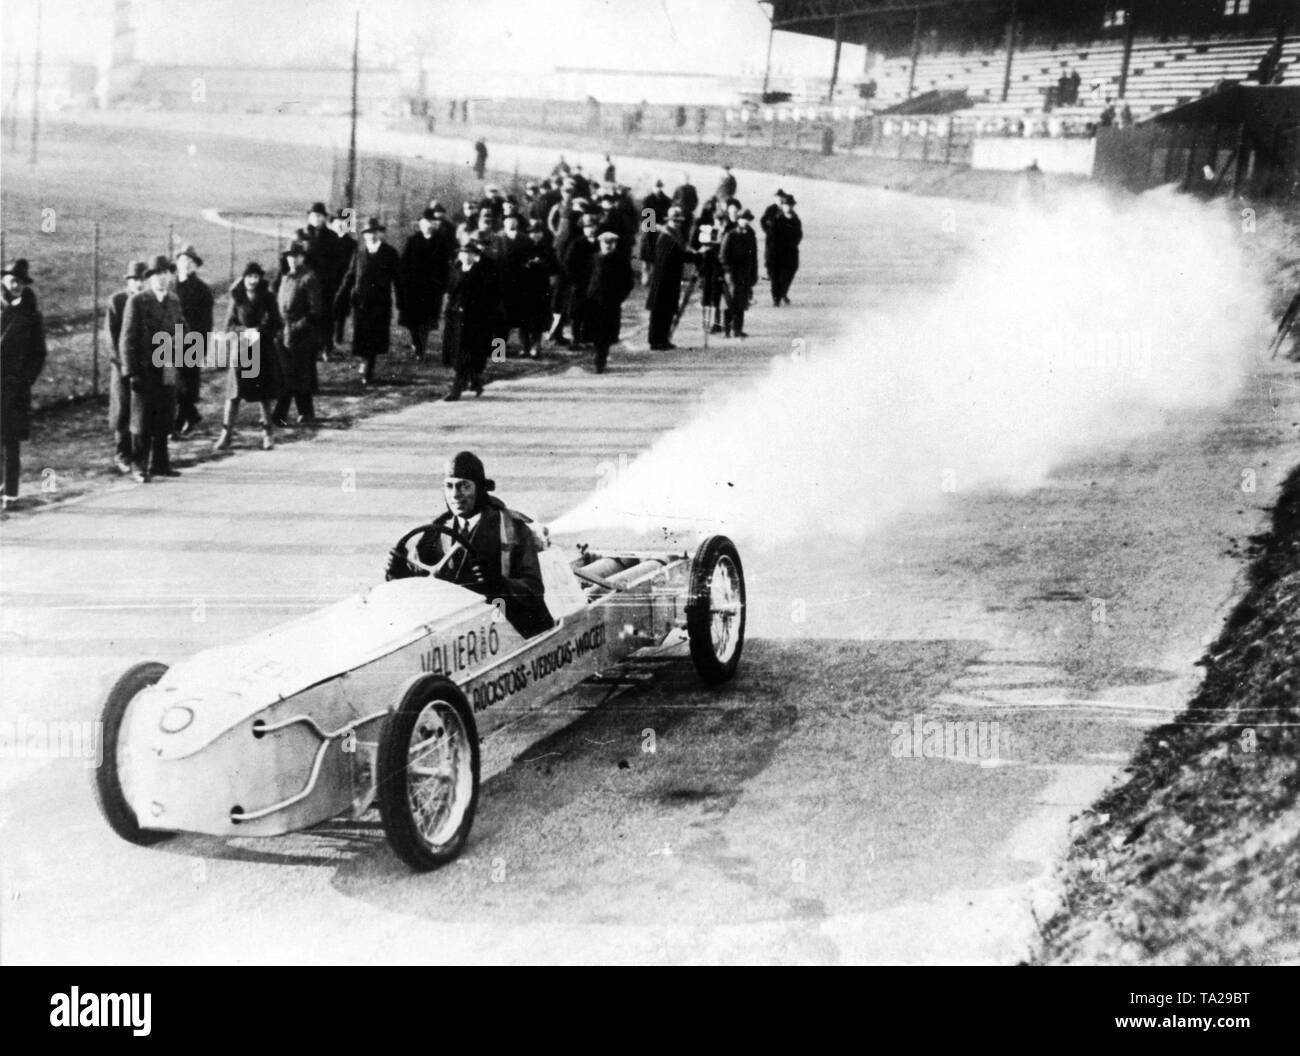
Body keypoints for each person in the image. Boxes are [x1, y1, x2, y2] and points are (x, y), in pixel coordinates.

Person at [385, 451, 554, 639]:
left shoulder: (512, 528)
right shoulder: (435, 533)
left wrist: (499, 582)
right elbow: (421, 581)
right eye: (449, 486)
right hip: (454, 630)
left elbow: (534, 588)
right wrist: (397, 572)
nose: (455, 495)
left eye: (464, 486)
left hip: (507, 626)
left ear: (480, 489)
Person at [120, 255, 183, 481]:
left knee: (165, 416)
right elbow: (127, 339)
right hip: (144, 368)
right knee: (142, 420)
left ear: (170, 276)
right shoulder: (137, 302)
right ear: (149, 278)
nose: (162, 278)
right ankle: (140, 466)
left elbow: (182, 329)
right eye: (157, 274)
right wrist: (130, 371)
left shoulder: (174, 301)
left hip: (166, 365)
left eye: (166, 273)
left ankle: (161, 464)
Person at [215, 261, 281, 452]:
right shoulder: (237, 297)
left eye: (256, 277)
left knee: (264, 395)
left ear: (260, 278)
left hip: (262, 349)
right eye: (249, 277)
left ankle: (268, 434)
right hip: (242, 349)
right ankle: (226, 434)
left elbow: (276, 322)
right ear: (243, 278)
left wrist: (261, 330)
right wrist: (245, 331)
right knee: (234, 394)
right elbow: (229, 326)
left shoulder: (268, 297)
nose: (252, 281)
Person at [1, 259, 47, 507]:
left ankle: (11, 494)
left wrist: (25, 381)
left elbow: (39, 353)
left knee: (11, 442)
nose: (16, 285)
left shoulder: (31, 315)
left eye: (20, 281)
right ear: (3, 281)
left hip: (15, 387)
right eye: (11, 280)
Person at [335, 217, 402, 386]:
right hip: (361, 302)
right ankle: (365, 362)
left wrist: (401, 301)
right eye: (367, 233)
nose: (371, 236)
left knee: (374, 336)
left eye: (374, 232)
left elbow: (399, 279)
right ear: (364, 236)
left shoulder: (389, 253)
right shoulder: (359, 254)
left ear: (380, 233)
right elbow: (350, 276)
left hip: (380, 303)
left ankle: (367, 369)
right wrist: (340, 295)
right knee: (362, 335)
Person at [442, 238, 498, 400]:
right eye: (463, 253)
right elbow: (450, 292)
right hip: (455, 317)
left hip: (473, 319)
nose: (465, 256)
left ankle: (456, 390)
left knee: (464, 353)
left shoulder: (481, 272)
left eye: (469, 253)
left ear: (475, 256)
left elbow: (486, 296)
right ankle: (476, 381)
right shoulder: (455, 270)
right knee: (457, 353)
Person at [273, 243, 322, 426]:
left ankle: (280, 414)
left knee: (294, 374)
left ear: (302, 257)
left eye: (296, 255)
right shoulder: (286, 277)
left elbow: (315, 310)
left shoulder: (309, 278)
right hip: (283, 331)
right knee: (294, 373)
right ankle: (306, 412)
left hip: (302, 333)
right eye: (289, 256)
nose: (292, 259)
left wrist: (297, 326)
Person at [107, 260, 147, 474]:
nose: (139, 284)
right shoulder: (117, 301)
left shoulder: (146, 301)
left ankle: (139, 457)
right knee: (122, 410)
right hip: (121, 365)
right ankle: (122, 453)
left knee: (139, 411)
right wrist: (123, 365)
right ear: (129, 281)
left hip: (143, 366)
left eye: (142, 280)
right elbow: (112, 337)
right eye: (135, 280)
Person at [400, 207, 453, 361]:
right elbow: (404, 264)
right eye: (425, 222)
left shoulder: (441, 242)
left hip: (432, 288)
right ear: (420, 224)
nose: (428, 224)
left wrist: (443, 286)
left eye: (431, 222)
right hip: (413, 287)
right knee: (412, 321)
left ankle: (420, 349)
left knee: (426, 321)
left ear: (434, 224)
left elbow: (445, 267)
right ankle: (416, 342)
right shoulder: (413, 240)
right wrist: (405, 282)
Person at [172, 244, 213, 438]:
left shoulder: (201, 289)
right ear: (177, 262)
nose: (186, 265)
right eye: (183, 260)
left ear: (196, 266)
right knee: (172, 380)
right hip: (169, 340)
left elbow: (206, 321)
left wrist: (201, 344)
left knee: (186, 381)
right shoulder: (171, 285)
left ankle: (182, 419)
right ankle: (191, 415)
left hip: (192, 339)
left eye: (191, 262)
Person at [299, 202, 342, 356]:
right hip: (305, 283)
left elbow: (337, 263)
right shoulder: (302, 235)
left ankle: (326, 346)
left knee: (326, 315)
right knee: (308, 314)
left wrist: (332, 281)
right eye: (313, 216)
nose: (316, 218)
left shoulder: (332, 237)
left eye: (319, 216)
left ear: (324, 218)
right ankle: (312, 346)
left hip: (325, 284)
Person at [587, 232, 634, 373]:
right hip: (594, 302)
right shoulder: (593, 258)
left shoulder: (621, 260)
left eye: (610, 243)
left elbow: (628, 282)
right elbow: (586, 277)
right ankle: (598, 356)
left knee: (607, 334)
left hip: (611, 302)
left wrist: (619, 297)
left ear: (614, 244)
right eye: (605, 243)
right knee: (595, 332)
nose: (607, 246)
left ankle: (600, 359)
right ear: (600, 243)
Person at [646, 206, 692, 350]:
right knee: (660, 311)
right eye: (674, 221)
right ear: (669, 221)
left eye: (678, 221)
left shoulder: (675, 235)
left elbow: (680, 254)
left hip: (671, 279)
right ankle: (655, 341)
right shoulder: (666, 236)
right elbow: (673, 257)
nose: (677, 223)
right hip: (663, 279)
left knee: (668, 309)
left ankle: (663, 339)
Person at [519, 219, 558, 356]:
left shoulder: (548, 248)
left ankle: (536, 345)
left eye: (538, 232)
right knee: (523, 319)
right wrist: (527, 264)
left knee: (539, 319)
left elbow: (555, 268)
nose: (535, 235)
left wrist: (543, 264)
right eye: (532, 233)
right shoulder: (523, 247)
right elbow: (517, 265)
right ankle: (524, 346)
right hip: (525, 287)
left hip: (541, 287)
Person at [564, 213, 601, 349]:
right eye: (586, 227)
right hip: (580, 284)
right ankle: (576, 340)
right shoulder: (577, 244)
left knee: (592, 313)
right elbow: (568, 263)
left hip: (595, 284)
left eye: (592, 226)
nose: (590, 229)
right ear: (583, 229)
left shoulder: (600, 243)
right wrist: (575, 280)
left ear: (596, 227)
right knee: (576, 313)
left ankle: (588, 339)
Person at [719, 209, 759, 338]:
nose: (745, 221)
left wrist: (753, 274)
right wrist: (729, 271)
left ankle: (737, 329)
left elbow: (754, 257)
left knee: (741, 302)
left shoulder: (750, 235)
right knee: (730, 302)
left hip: (745, 274)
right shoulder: (730, 235)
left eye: (747, 219)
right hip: (732, 274)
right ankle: (726, 329)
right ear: (738, 220)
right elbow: (723, 256)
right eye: (743, 219)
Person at [768, 194, 802, 307]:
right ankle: (776, 298)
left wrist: (793, 243)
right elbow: (772, 237)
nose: (788, 207)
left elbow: (799, 234)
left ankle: (783, 292)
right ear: (782, 206)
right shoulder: (777, 219)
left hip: (791, 252)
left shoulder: (795, 219)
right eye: (786, 205)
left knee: (790, 271)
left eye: (790, 205)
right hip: (777, 252)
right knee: (776, 276)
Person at [329, 209, 357, 348]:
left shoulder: (352, 244)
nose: (340, 225)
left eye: (343, 223)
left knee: (342, 307)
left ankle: (338, 337)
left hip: (345, 279)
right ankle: (329, 337)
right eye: (337, 222)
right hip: (330, 279)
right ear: (333, 224)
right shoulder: (329, 241)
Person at [638, 178, 671, 286]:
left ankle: (655, 279)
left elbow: (668, 217)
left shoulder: (667, 201)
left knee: (658, 258)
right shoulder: (647, 200)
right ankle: (645, 277)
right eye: (656, 187)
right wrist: (658, 226)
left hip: (661, 234)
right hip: (649, 233)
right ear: (653, 188)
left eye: (659, 187)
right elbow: (646, 220)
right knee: (646, 258)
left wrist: (664, 227)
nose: (658, 189)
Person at [760, 188, 785, 281]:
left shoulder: (785, 208)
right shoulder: (770, 209)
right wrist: (766, 230)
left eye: (781, 198)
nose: (779, 200)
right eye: (777, 198)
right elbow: (762, 220)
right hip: (771, 237)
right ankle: (769, 274)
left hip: (782, 238)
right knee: (769, 256)